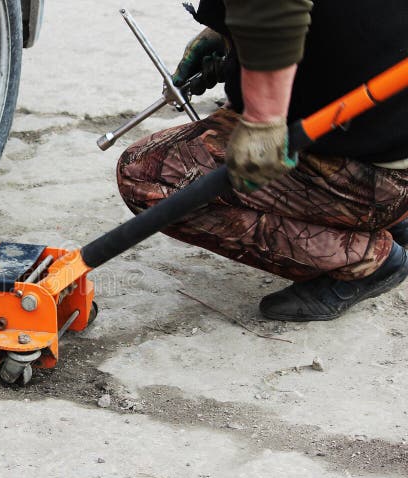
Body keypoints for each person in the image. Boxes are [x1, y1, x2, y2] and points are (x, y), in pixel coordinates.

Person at [117, 0, 408, 321]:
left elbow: (273, 7)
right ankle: (394, 218)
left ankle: (363, 260)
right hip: (389, 142)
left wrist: (261, 120)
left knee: (146, 174)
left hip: (371, 172)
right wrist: (224, 30)